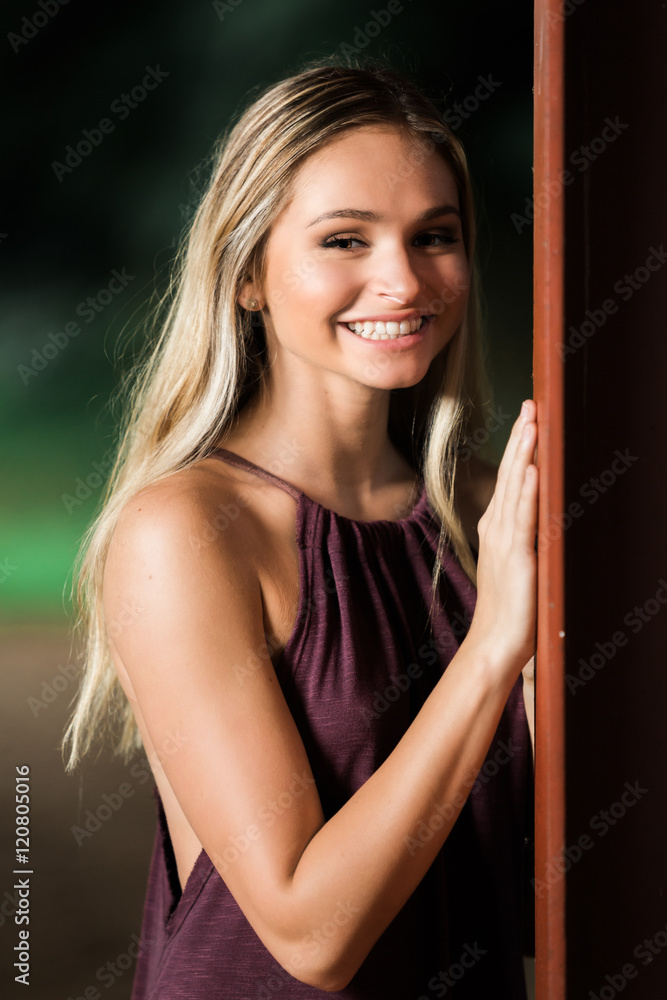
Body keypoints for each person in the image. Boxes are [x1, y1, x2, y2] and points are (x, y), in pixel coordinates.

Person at [63, 60, 538, 999]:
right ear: (247, 275)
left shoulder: (498, 512)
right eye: (345, 239)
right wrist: (492, 652)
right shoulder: (187, 532)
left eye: (433, 236)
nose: (401, 279)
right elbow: (309, 935)